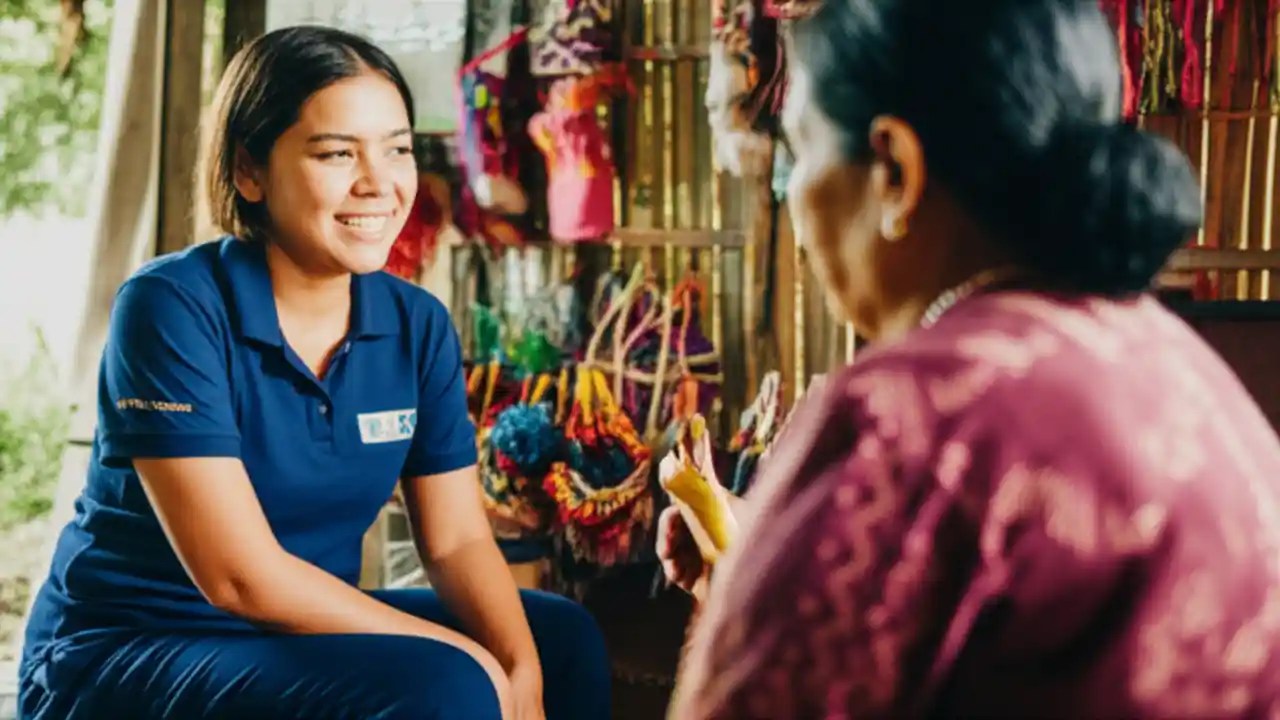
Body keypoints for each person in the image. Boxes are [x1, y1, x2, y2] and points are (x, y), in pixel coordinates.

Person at [660, 1, 1280, 718]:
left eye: (801, 152)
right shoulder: (1179, 368)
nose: (795, 205)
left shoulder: (907, 415)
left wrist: (750, 610)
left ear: (893, 168)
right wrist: (752, 584)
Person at [19, 26, 609, 720]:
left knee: (558, 637)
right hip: (130, 648)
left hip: (283, 637)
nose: (379, 184)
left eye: (397, 149)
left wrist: (520, 667)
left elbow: (454, 539)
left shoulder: (416, 324)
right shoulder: (171, 308)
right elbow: (239, 579)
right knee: (451, 682)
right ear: (250, 171)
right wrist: (474, 661)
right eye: (336, 153)